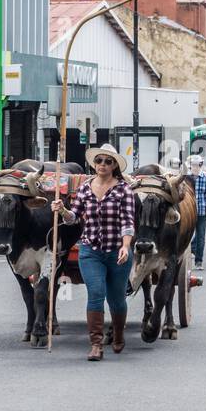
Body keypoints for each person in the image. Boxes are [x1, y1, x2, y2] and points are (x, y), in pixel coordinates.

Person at [50, 144, 135, 362]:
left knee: (116, 299)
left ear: (114, 165)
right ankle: (96, 344)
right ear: (94, 164)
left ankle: (117, 334)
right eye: (99, 161)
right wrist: (62, 210)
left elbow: (127, 222)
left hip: (117, 251)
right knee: (95, 293)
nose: (102, 165)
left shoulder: (123, 189)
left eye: (108, 161)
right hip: (90, 250)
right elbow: (74, 218)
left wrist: (126, 245)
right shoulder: (85, 189)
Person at [185, 154, 206, 271]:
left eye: (197, 165)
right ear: (190, 166)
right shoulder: (186, 177)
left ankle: (199, 261)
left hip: (201, 210)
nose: (195, 167)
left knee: (201, 236)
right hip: (188, 211)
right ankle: (183, 259)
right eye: (192, 165)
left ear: (200, 165)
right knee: (186, 235)